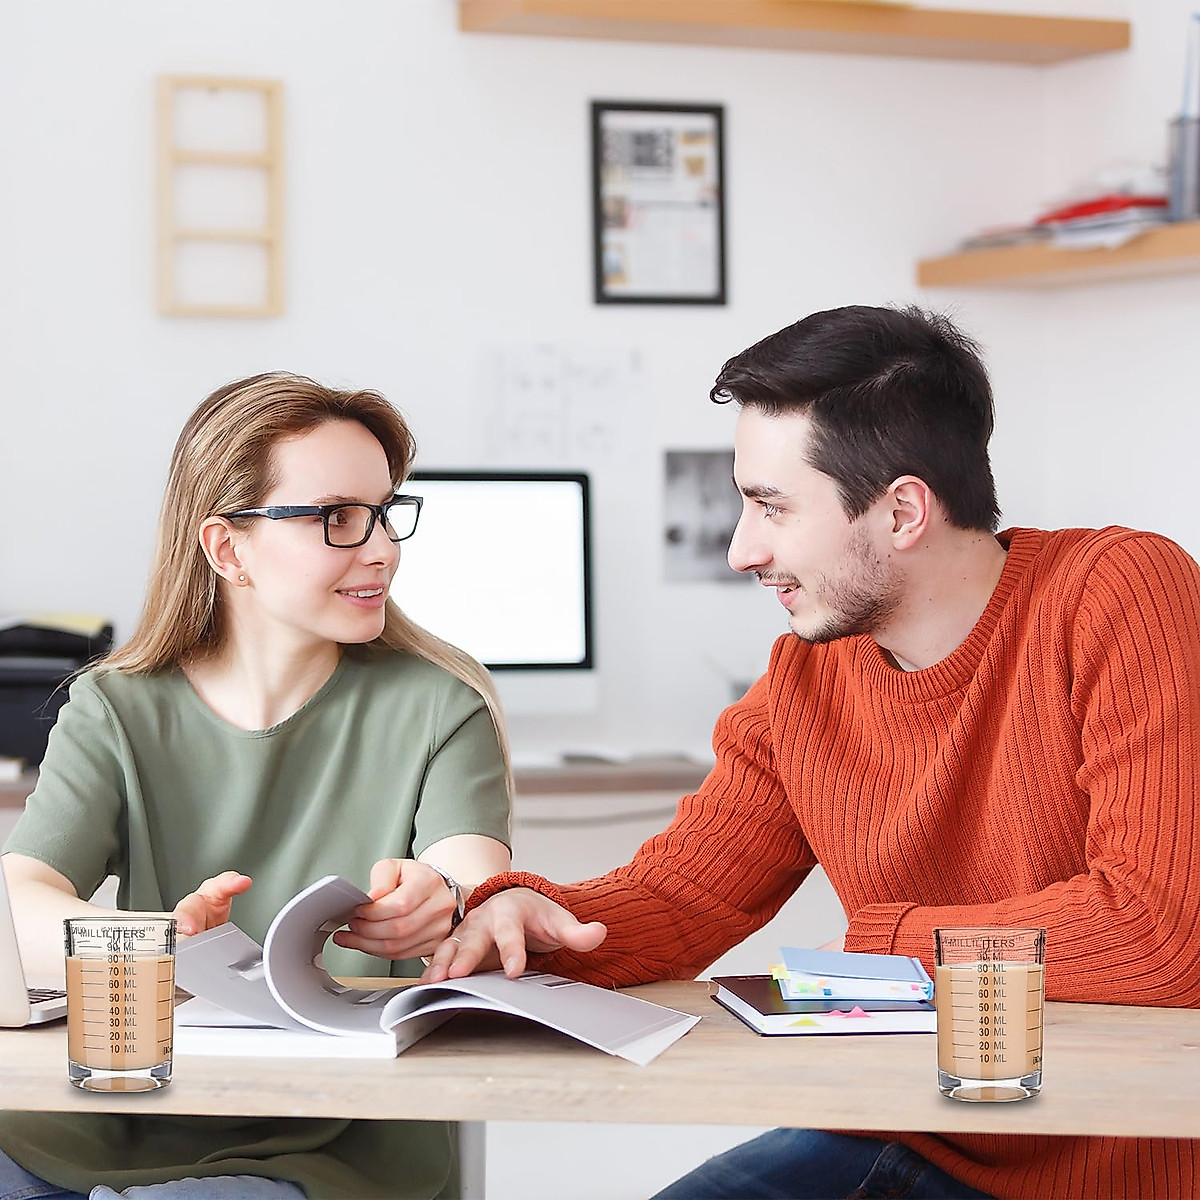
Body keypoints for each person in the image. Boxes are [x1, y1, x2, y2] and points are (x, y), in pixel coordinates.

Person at [422, 306, 1200, 1200]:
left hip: (1108, 1167)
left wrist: (882, 944)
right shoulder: (803, 676)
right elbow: (681, 896)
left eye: (771, 507)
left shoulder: (1117, 593)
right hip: (906, 1130)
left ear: (903, 509)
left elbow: (1161, 930)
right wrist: (530, 917)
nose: (741, 549)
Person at [0, 372, 512, 1200]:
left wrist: (442, 894)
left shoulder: (442, 705)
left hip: (338, 1137)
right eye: (337, 519)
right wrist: (159, 942)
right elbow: (23, 893)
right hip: (113, 1104)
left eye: (385, 513)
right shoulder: (114, 707)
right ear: (227, 548)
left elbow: (474, 871)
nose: (381, 547)